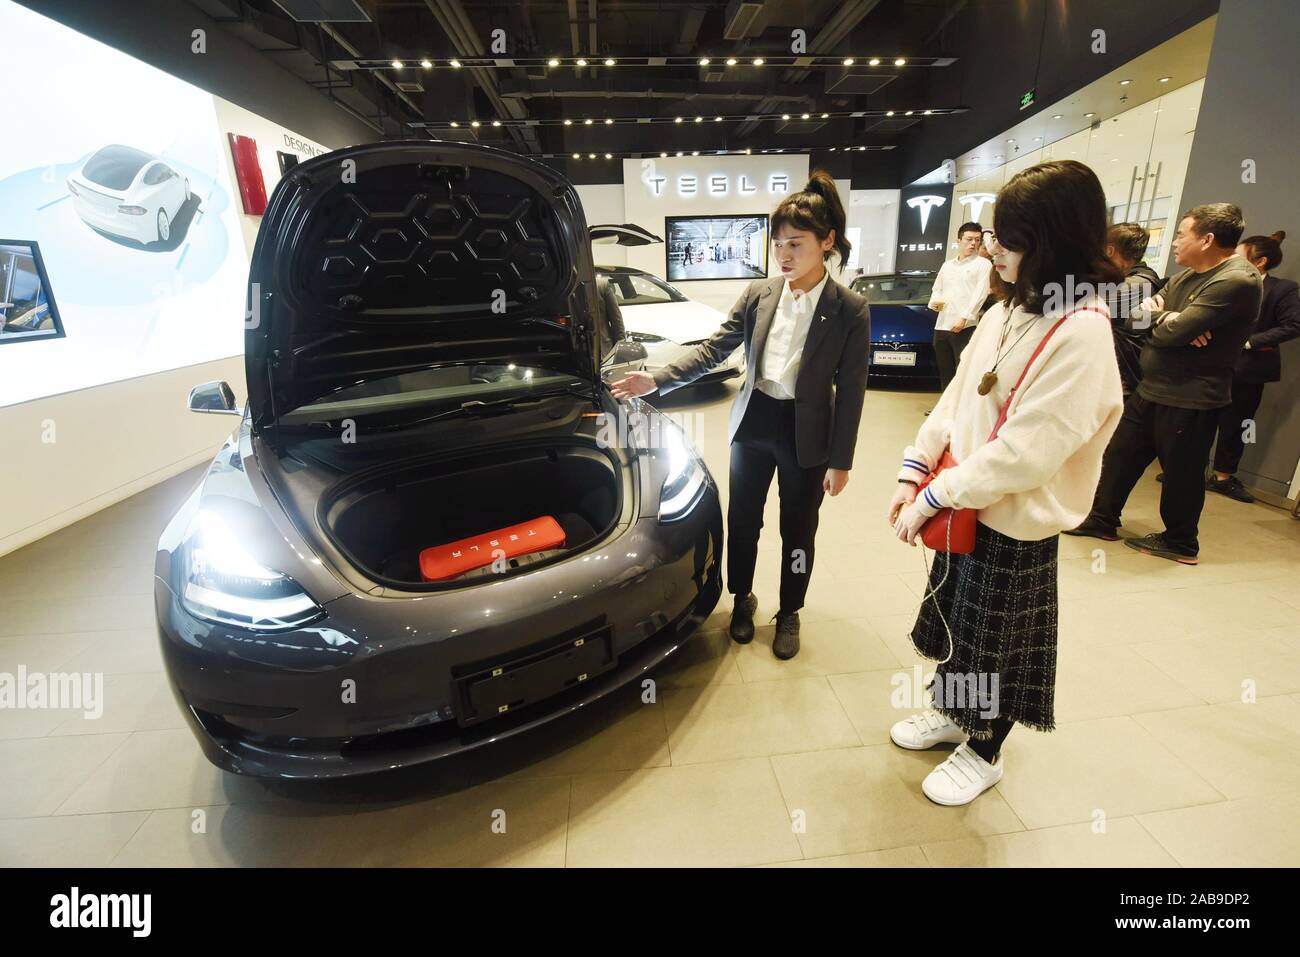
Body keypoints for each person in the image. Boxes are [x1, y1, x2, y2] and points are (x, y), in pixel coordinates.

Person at [887, 159, 1124, 806]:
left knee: (997, 644)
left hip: (1013, 522)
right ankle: (953, 710)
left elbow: (1025, 456)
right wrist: (916, 468)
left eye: (1009, 238)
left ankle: (985, 745)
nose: (994, 249)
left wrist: (934, 493)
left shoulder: (1082, 333)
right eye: (995, 234)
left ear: (1053, 241)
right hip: (966, 504)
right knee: (957, 625)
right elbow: (958, 398)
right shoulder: (1008, 308)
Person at [610, 170, 870, 660]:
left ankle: (790, 611)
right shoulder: (759, 295)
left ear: (827, 242)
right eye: (778, 244)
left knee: (798, 529)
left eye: (796, 243)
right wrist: (657, 378)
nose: (784, 255)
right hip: (753, 424)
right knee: (743, 521)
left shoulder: (849, 308)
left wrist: (842, 460)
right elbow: (713, 351)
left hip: (807, 434)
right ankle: (742, 598)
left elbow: (853, 390)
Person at [1067, 203, 1263, 563]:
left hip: (1192, 396)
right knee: (1120, 456)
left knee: (1181, 475)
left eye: (1181, 234)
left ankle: (1181, 541)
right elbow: (1135, 319)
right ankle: (1101, 520)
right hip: (1153, 387)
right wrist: (1169, 318)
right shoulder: (1185, 275)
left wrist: (1168, 318)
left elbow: (1173, 330)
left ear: (1205, 239)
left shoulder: (1236, 279)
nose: (1174, 242)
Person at [1206, 231, 1299, 502]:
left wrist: (1250, 342)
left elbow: (1294, 325)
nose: (1231, 260)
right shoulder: (1225, 281)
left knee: (1238, 424)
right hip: (1212, 363)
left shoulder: (1282, 289)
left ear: (1260, 262)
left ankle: (1223, 478)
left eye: (1238, 256)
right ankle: (1188, 468)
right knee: (1200, 419)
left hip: (1249, 369)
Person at [928, 222, 993, 390]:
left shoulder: (983, 265)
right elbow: (937, 289)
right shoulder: (947, 265)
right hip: (942, 325)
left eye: (977, 240)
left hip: (965, 327)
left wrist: (965, 317)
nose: (973, 243)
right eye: (969, 239)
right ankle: (945, 409)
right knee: (945, 371)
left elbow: (980, 294)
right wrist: (934, 302)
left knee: (964, 371)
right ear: (959, 240)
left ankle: (960, 412)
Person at [1104, 222, 1161, 396]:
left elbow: (1078, 306)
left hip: (1125, 381)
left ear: (1109, 251)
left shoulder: (1139, 284)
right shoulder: (1128, 280)